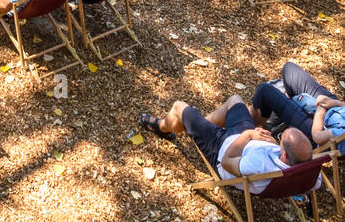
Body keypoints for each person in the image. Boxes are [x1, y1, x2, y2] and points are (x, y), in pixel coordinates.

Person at [139, 93, 318, 194]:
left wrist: (248, 135)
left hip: (221, 147)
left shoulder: (256, 164)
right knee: (235, 100)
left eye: (280, 141)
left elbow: (226, 161)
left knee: (179, 106)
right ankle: (199, 124)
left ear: (285, 154)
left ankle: (163, 127)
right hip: (246, 138)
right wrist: (270, 141)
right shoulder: (310, 172)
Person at [252, 61, 345, 149]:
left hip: (317, 128)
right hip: (336, 109)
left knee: (264, 91)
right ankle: (284, 118)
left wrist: (321, 109)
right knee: (289, 69)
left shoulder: (339, 132)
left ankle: (248, 131)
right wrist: (336, 103)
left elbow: (317, 137)